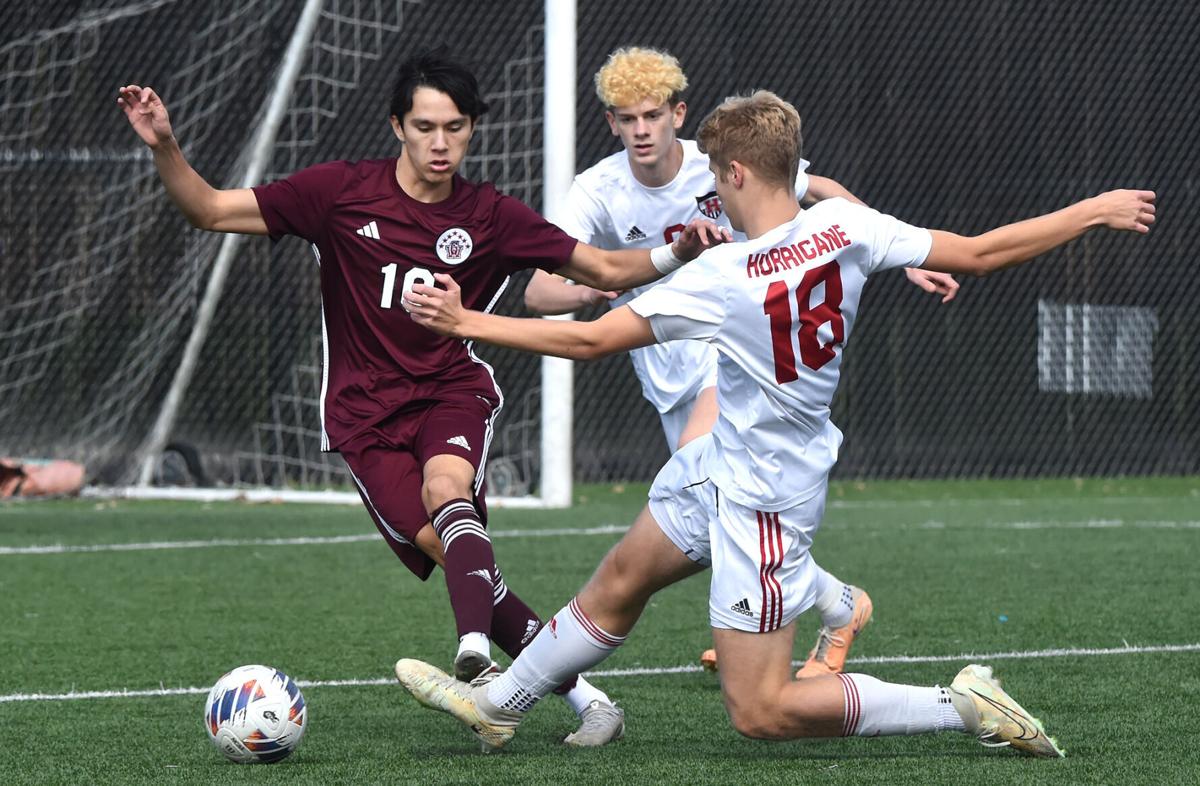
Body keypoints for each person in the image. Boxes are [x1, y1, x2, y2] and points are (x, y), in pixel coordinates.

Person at [394, 90, 1155, 755]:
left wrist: (466, 322)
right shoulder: (847, 224)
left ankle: (959, 706)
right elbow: (981, 253)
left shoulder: (724, 275)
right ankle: (500, 705)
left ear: (735, 174)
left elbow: (591, 341)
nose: (710, 197)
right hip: (723, 460)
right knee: (623, 578)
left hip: (765, 496)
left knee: (761, 711)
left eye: (712, 181)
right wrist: (1092, 210)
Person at [117, 49, 727, 747]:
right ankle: (590, 701)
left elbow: (606, 268)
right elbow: (208, 209)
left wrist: (678, 252)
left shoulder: (490, 215)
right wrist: (165, 145)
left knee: (447, 489)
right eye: (426, 127)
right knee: (460, 559)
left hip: (450, 391)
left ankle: (474, 656)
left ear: (472, 130)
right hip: (362, 417)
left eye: (455, 128)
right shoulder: (340, 193)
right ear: (397, 127)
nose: (441, 143)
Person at [524, 47, 959, 677]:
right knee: (711, 514)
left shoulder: (720, 162)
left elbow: (823, 192)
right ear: (611, 124)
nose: (642, 130)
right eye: (627, 118)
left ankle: (749, 628)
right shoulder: (597, 190)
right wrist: (599, 283)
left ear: (677, 115)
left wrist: (909, 256)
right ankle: (839, 605)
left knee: (704, 483)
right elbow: (540, 294)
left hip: (727, 352)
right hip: (664, 371)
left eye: (652, 115)